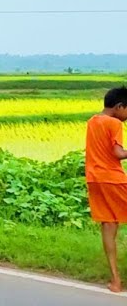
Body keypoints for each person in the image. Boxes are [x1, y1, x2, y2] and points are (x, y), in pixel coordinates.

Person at [87, 86, 127, 292]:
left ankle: (116, 281)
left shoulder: (93, 121)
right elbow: (118, 153)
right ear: (120, 106)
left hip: (95, 180)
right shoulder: (114, 123)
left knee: (109, 227)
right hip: (113, 180)